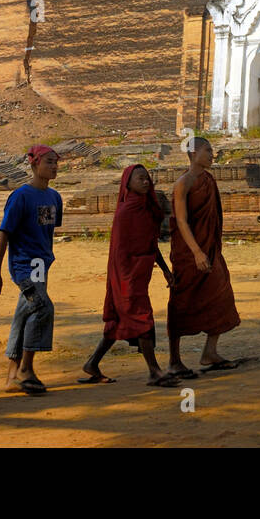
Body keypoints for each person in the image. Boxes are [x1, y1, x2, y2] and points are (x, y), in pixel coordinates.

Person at [79, 164, 178, 386]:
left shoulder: (147, 208)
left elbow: (150, 243)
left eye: (148, 179)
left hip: (139, 273)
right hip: (126, 275)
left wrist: (164, 269)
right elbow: (120, 251)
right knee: (141, 317)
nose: (146, 182)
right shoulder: (127, 211)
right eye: (141, 178)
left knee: (118, 322)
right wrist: (126, 279)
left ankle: (92, 363)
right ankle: (154, 371)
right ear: (128, 183)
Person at [0, 145, 62, 394]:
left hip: (42, 266)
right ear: (35, 163)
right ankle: (26, 369)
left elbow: (47, 234)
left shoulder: (55, 198)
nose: (54, 166)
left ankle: (12, 376)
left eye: (56, 162)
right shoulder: (20, 196)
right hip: (24, 266)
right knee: (42, 306)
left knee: (25, 314)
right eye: (49, 161)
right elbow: (4, 234)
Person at [165, 136, 241, 378]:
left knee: (222, 293)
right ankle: (174, 360)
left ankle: (210, 351)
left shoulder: (208, 180)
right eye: (208, 150)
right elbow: (181, 221)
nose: (212, 155)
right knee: (181, 302)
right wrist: (196, 251)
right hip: (188, 252)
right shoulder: (183, 183)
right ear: (194, 152)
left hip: (209, 249)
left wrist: (206, 249)